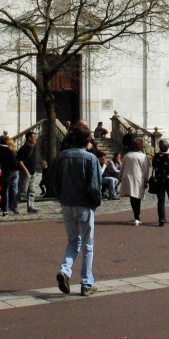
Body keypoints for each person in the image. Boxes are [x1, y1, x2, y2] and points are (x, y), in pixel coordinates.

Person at [55, 126, 102, 297]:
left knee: (73, 241)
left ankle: (65, 270)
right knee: (87, 245)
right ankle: (86, 283)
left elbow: (56, 182)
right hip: (84, 205)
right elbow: (95, 185)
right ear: (87, 141)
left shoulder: (62, 156)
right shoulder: (91, 158)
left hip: (67, 204)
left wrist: (62, 198)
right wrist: (95, 202)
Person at [118, 137, 150, 225]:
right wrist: (146, 180)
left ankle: (136, 215)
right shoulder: (143, 156)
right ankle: (137, 216)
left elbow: (122, 167)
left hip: (128, 178)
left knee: (132, 198)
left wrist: (120, 176)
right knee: (138, 198)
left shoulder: (127, 155)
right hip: (138, 178)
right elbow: (146, 169)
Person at [151, 140, 169, 224]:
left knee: (161, 200)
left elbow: (153, 165)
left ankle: (162, 218)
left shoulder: (156, 156)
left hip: (159, 180)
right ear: (167, 147)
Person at [16, 130, 40, 214]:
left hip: (33, 171)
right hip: (25, 172)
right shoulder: (23, 149)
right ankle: (15, 205)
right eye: (34, 137)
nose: (35, 139)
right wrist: (25, 170)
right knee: (23, 191)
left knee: (32, 190)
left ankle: (31, 206)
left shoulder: (33, 148)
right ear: (29, 138)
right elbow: (19, 161)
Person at [0, 133, 20, 216]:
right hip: (9, 171)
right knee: (10, 189)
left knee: (2, 190)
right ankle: (9, 207)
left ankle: (2, 208)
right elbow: (14, 162)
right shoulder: (9, 150)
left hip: (0, 172)